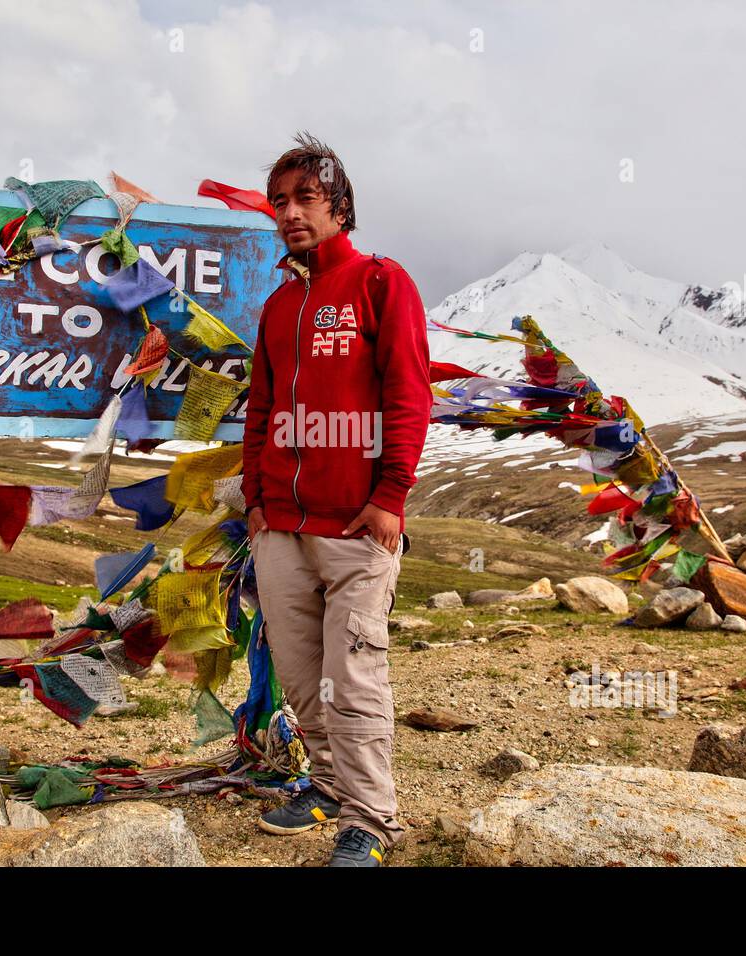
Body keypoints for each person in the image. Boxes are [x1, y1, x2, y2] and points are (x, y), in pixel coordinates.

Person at [241, 132, 431, 867]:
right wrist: (258, 500)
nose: (290, 213)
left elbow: (409, 395)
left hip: (359, 526)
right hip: (281, 528)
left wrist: (390, 498)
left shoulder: (382, 283)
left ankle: (370, 819)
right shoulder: (278, 305)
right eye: (279, 202)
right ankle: (323, 784)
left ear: (340, 207)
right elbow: (259, 411)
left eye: (306, 199)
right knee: (300, 675)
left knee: (353, 673)